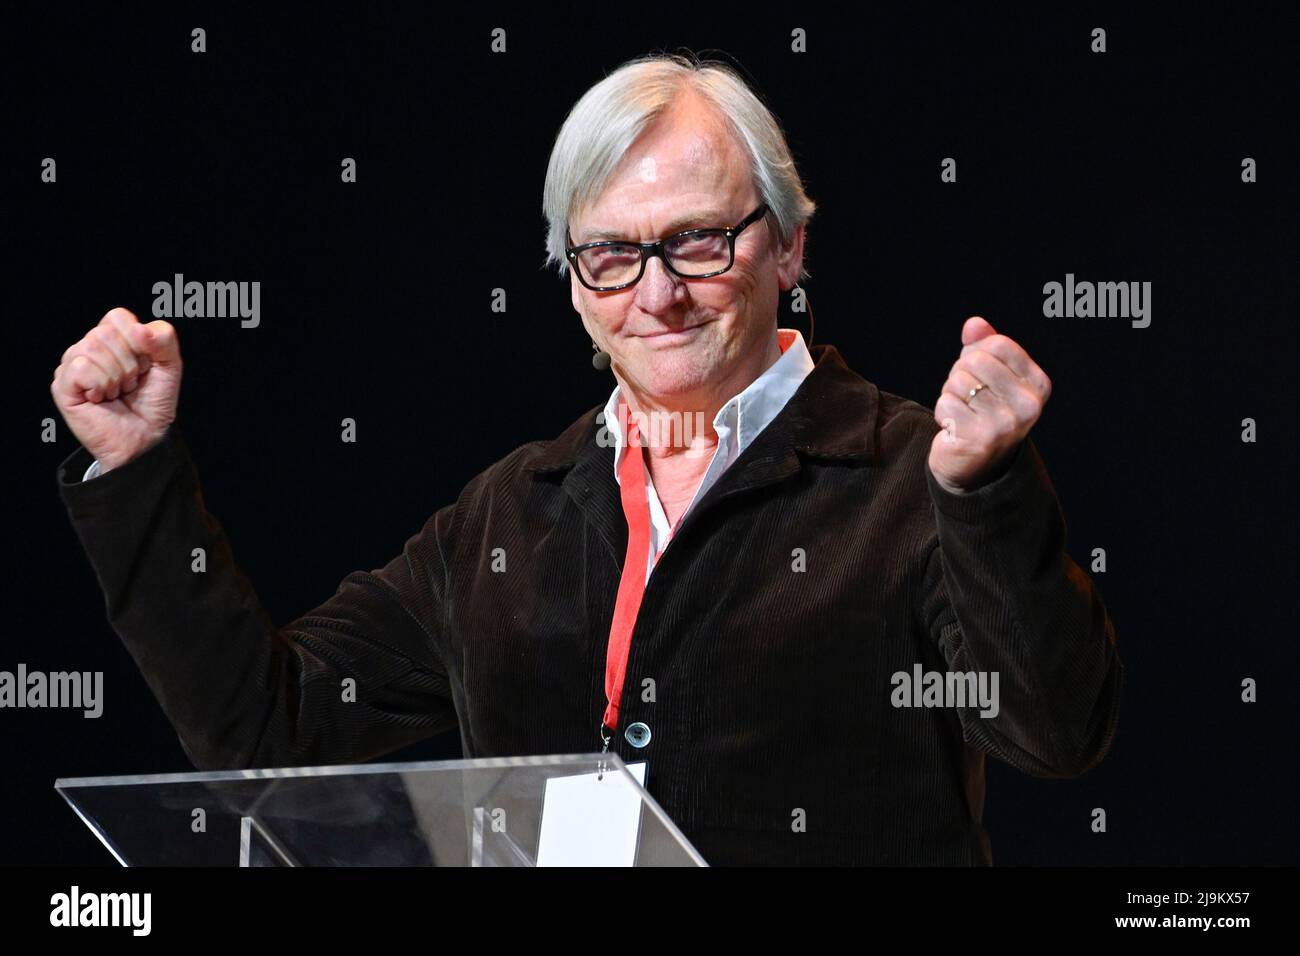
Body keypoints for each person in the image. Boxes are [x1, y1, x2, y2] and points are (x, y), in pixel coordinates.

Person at [50, 52, 1123, 865]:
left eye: (699, 241)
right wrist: (139, 472)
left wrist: (979, 492)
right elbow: (271, 734)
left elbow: (1053, 731)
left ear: (788, 243)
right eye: (611, 254)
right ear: (571, 279)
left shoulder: (908, 474)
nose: (656, 294)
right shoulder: (508, 512)